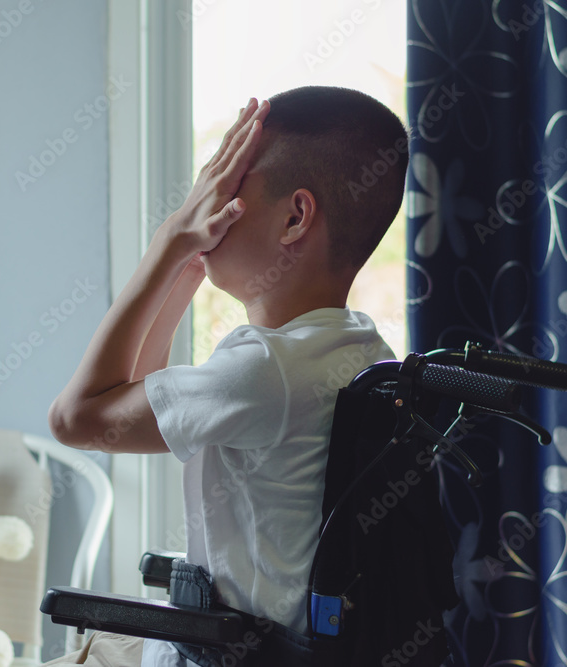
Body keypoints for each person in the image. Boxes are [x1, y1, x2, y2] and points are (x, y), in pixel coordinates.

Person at [45, 86, 409, 666]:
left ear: (295, 217)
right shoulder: (365, 350)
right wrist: (187, 268)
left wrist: (168, 241)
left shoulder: (262, 370)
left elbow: (76, 419)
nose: (204, 208)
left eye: (226, 189)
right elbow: (136, 395)